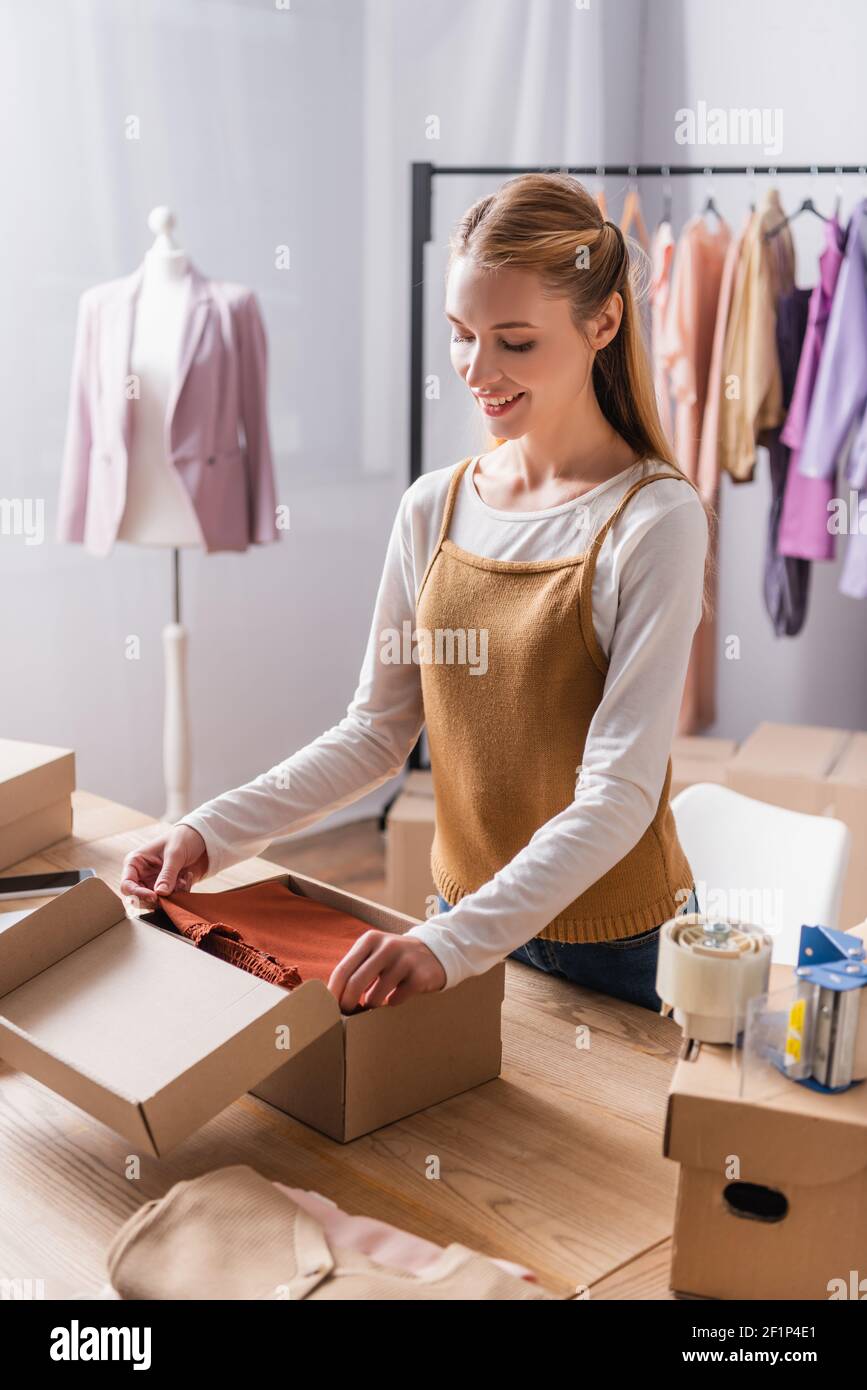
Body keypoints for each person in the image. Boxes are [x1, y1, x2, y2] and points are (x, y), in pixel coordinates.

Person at [122, 173, 710, 1016]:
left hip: (613, 948)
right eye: (461, 334)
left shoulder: (653, 520)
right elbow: (375, 733)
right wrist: (211, 830)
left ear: (602, 323)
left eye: (514, 341)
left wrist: (452, 941)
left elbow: (617, 792)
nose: (478, 368)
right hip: (454, 919)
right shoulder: (433, 506)